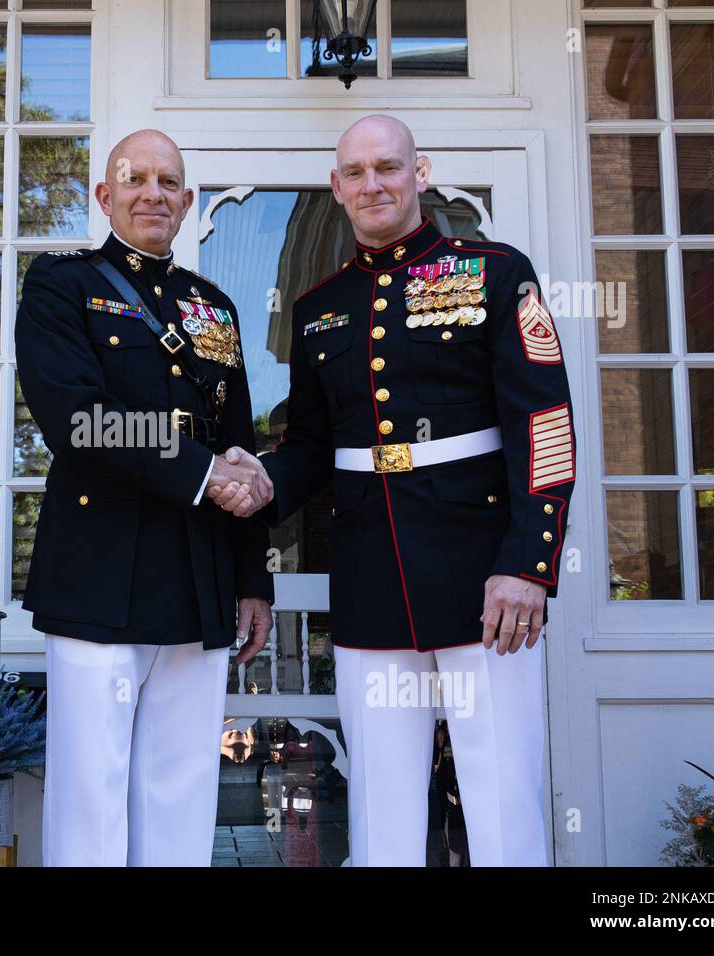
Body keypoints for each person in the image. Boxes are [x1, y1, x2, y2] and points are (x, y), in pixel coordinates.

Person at [210, 114, 576, 866]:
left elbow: (544, 425)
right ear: (337, 187)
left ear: (421, 172)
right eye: (356, 172)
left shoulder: (496, 272)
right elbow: (311, 447)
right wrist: (261, 483)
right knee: (380, 801)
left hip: (485, 578)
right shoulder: (318, 308)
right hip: (372, 577)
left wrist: (529, 564)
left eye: (388, 167)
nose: (372, 184)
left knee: (502, 793)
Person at [15, 129, 275, 866]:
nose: (152, 194)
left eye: (168, 183)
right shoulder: (61, 286)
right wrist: (202, 472)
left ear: (188, 202)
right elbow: (78, 418)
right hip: (98, 570)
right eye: (135, 180)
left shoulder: (213, 307)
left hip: (199, 573)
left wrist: (252, 579)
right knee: (91, 796)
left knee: (181, 795)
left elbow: (239, 444)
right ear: (105, 195)